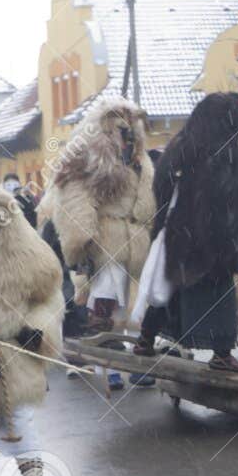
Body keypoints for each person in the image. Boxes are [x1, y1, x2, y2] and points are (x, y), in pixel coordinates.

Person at [134, 93, 238, 372]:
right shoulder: (230, 150)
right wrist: (236, 238)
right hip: (216, 235)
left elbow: (161, 185)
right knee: (220, 291)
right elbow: (233, 200)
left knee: (171, 284)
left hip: (180, 230)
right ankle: (222, 354)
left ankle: (146, 337)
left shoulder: (181, 144)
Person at [43, 99, 155, 338]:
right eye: (120, 130)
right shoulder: (87, 159)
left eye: (129, 131)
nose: (126, 137)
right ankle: (101, 334)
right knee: (108, 285)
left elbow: (148, 196)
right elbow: (75, 197)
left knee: (131, 299)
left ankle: (133, 350)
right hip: (106, 234)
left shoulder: (140, 161)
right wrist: (82, 236)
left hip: (135, 236)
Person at [0, 180, 67, 476]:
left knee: (20, 416)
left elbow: (48, 299)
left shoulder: (29, 260)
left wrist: (37, 331)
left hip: (12, 353)